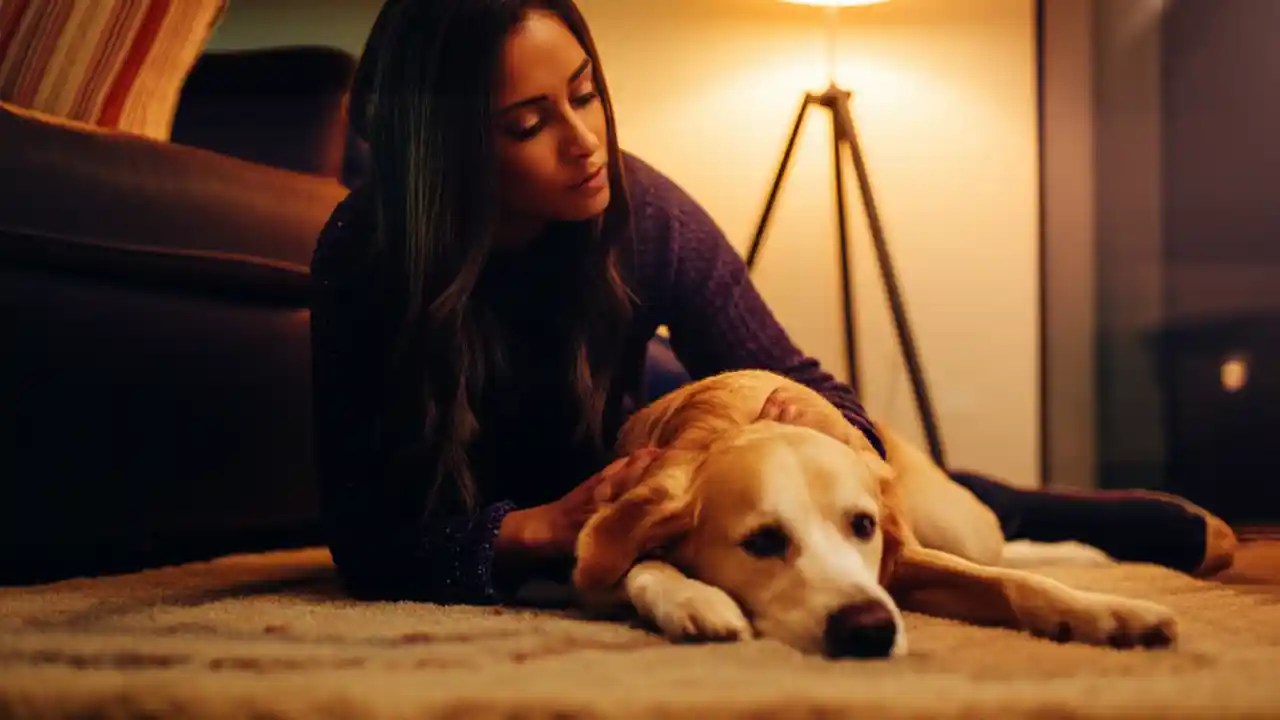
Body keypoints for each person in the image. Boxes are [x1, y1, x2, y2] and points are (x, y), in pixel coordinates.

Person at [310, 0, 1233, 605]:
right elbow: (369, 542)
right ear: (448, 152)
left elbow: (802, 379)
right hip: (546, 479)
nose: (584, 140)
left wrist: (828, 426)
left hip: (640, 415)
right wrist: (538, 530)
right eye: (528, 124)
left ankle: (1017, 508)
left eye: (586, 94)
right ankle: (1012, 504)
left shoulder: (641, 208)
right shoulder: (368, 256)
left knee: (785, 428)